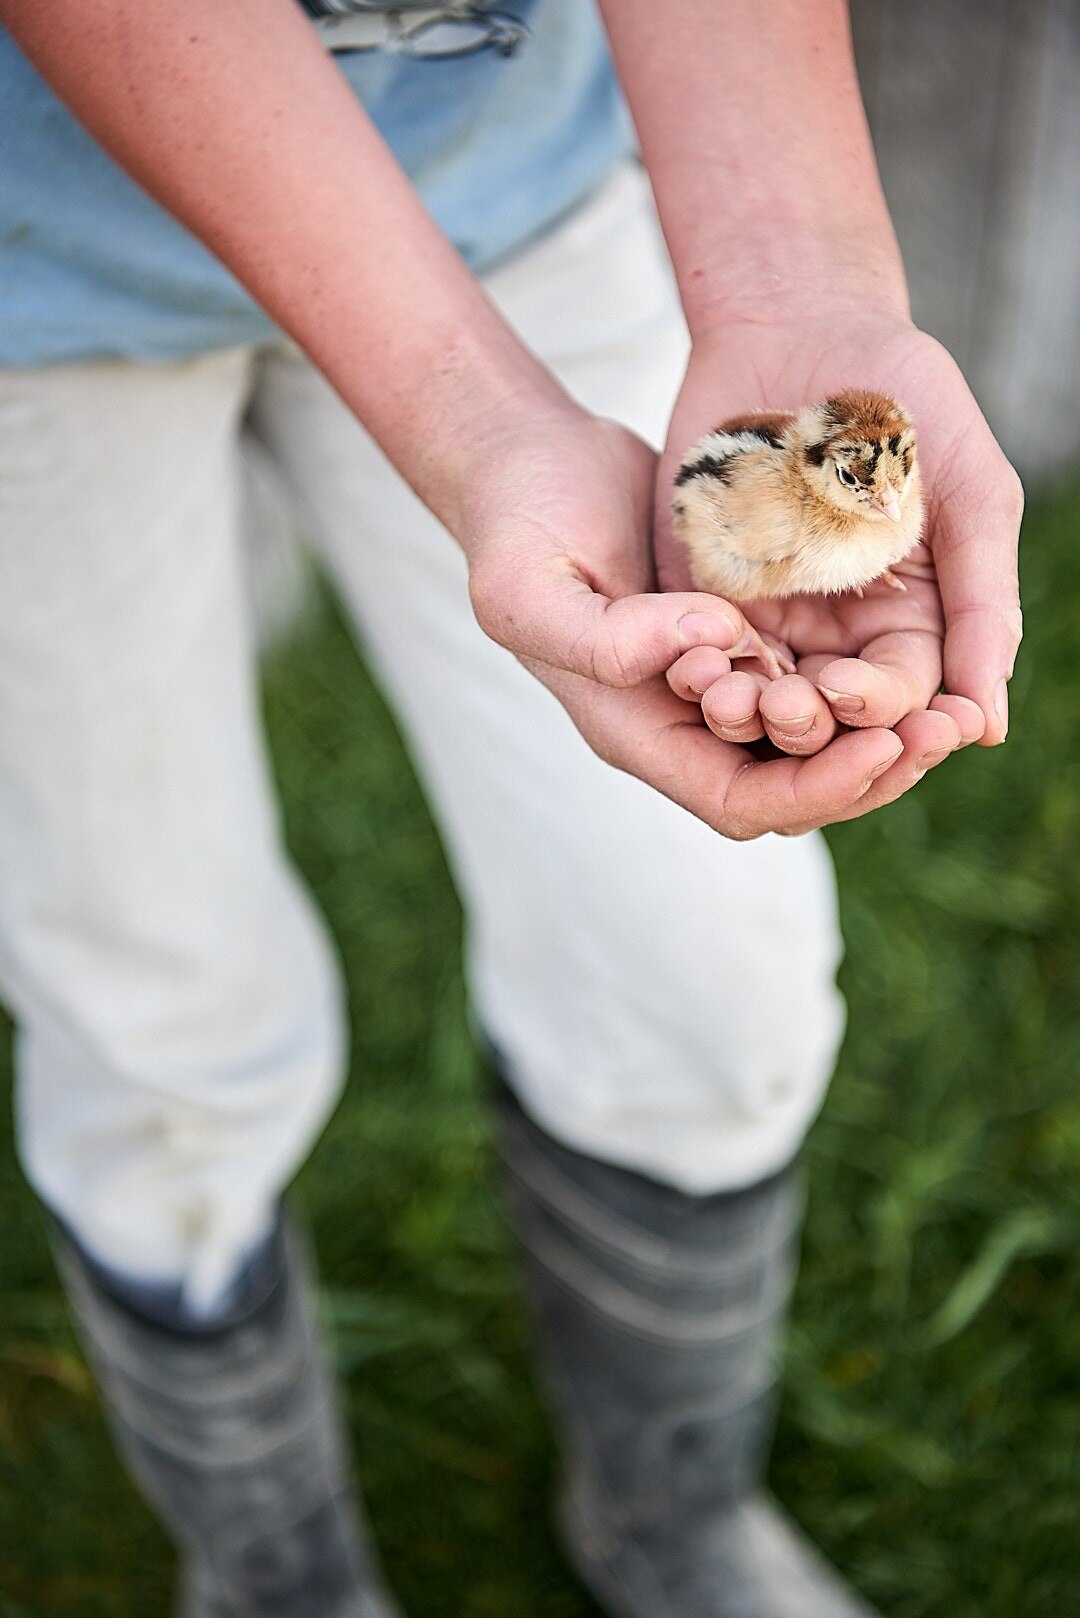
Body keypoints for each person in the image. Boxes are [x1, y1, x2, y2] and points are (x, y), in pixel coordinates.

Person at [0, 2, 1023, 1615]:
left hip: (516, 192)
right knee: (151, 1018)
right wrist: (482, 433)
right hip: (28, 285)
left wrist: (804, 300)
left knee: (701, 973)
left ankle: (668, 1518)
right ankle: (277, 1580)